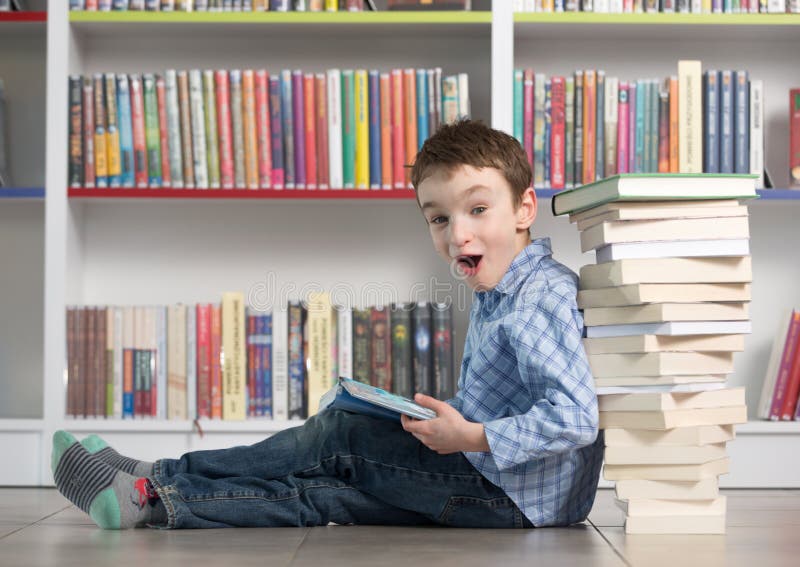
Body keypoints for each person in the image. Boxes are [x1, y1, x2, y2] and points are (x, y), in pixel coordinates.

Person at [50, 119, 603, 530]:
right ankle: (149, 498)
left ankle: (160, 471)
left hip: (507, 493)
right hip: (512, 492)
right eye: (439, 217)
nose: (457, 233)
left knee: (337, 438)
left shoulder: (536, 297)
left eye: (477, 209)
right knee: (327, 493)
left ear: (525, 209)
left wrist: (471, 435)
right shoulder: (504, 285)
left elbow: (577, 418)